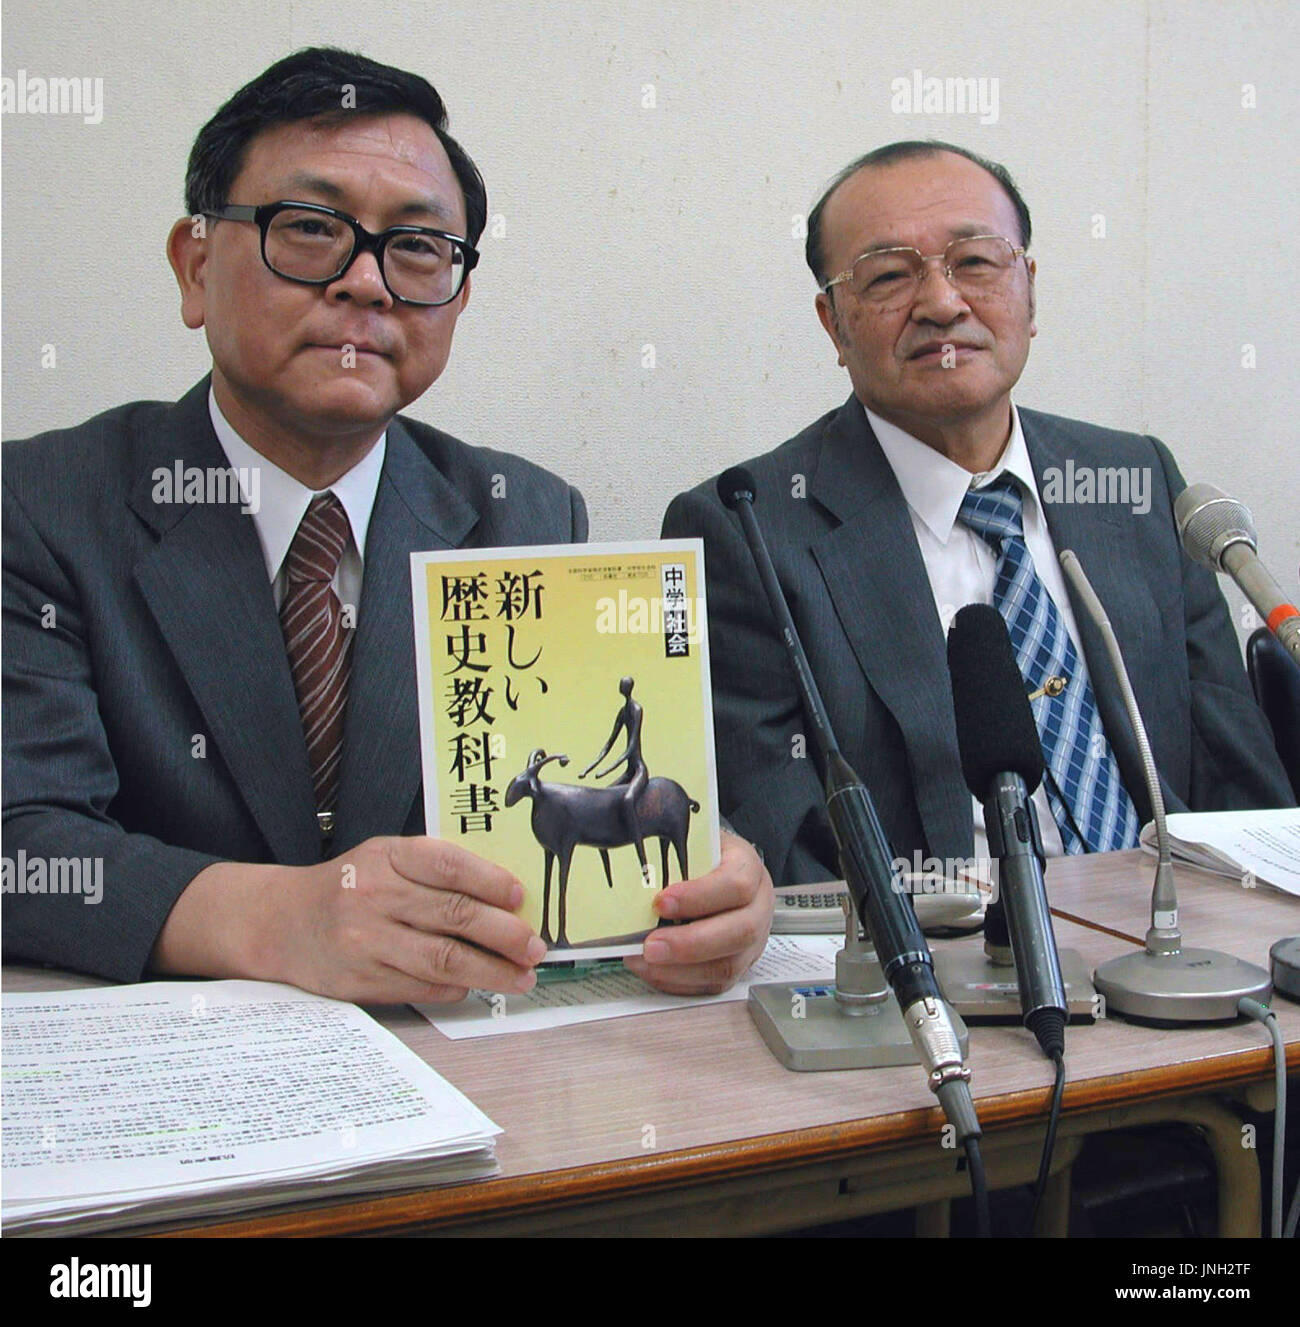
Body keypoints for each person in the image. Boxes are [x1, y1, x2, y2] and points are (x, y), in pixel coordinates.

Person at [3, 47, 773, 999]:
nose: (367, 284)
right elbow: (23, 842)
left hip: (469, 1071)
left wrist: (722, 877)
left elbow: (591, 767)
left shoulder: (526, 516)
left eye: (415, 247)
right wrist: (277, 917)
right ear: (195, 266)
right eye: (312, 228)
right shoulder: (43, 503)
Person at [663, 141, 1293, 885]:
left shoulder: (1137, 482)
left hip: (1178, 947)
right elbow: (788, 854)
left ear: (1029, 287)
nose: (941, 302)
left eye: (976, 262)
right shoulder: (748, 529)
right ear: (833, 324)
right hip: (948, 972)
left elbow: (1242, 785)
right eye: (891, 275)